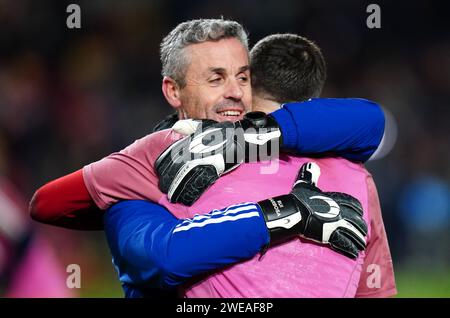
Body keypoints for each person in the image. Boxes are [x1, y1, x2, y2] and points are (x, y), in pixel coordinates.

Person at [103, 33, 396, 298]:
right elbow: (374, 292)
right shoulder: (356, 175)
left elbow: (163, 259)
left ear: (248, 84)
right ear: (314, 101)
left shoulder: (191, 165)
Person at [29, 19, 384, 231]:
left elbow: (368, 120)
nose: (234, 93)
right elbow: (45, 203)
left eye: (242, 78)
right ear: (173, 91)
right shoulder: (153, 154)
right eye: (216, 79)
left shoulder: (275, 136)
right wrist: (127, 213)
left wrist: (246, 139)